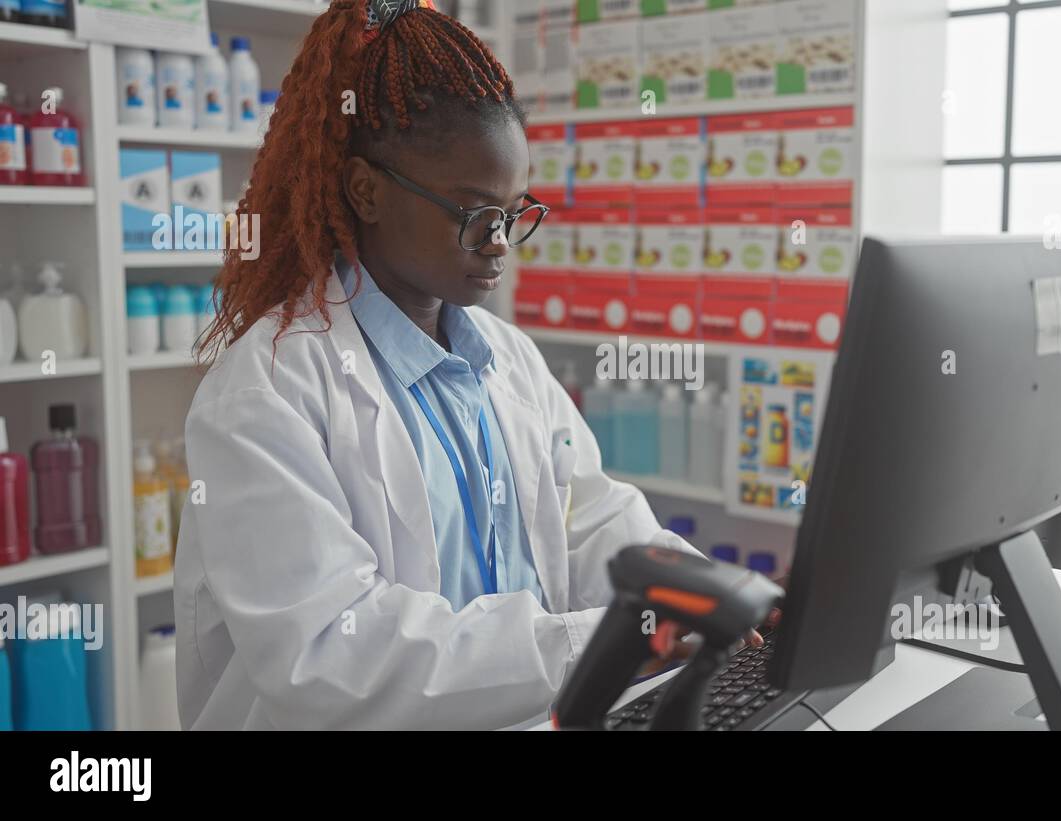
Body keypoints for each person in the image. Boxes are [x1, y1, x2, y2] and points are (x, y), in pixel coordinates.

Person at [174, 1, 752, 731]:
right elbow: (334, 652)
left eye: (515, 212)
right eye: (477, 214)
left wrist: (710, 594)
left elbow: (593, 521)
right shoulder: (266, 395)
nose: (502, 241)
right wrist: (609, 640)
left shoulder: (505, 358)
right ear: (366, 191)